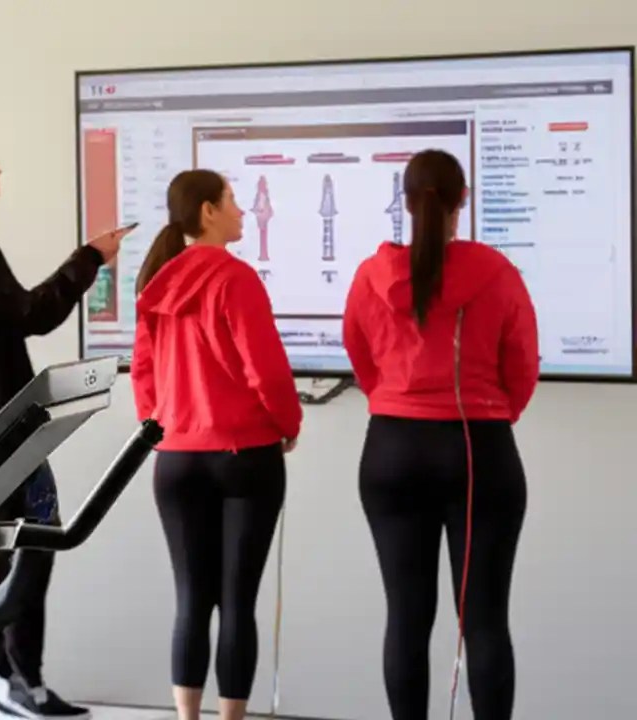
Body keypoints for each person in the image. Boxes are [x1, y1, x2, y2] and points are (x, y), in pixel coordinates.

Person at [0, 129, 132, 719]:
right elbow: (30, 313)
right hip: (0, 433)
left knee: (4, 554)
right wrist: (91, 257)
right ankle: (12, 682)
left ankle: (15, 680)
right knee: (27, 546)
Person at [342, 149, 538, 720]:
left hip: (391, 450)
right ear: (463, 202)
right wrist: (493, 415)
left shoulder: (370, 276)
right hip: (479, 449)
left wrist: (398, 401)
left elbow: (361, 358)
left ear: (405, 203)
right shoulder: (496, 272)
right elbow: (522, 365)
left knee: (405, 617)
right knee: (483, 620)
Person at [130, 169, 302, 720]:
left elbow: (142, 373)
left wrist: (163, 427)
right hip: (244, 457)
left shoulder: (156, 282)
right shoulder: (236, 279)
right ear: (207, 212)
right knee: (236, 604)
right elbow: (266, 370)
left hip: (175, 461)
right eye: (232, 201)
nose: (242, 211)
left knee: (190, 601)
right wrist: (287, 423)